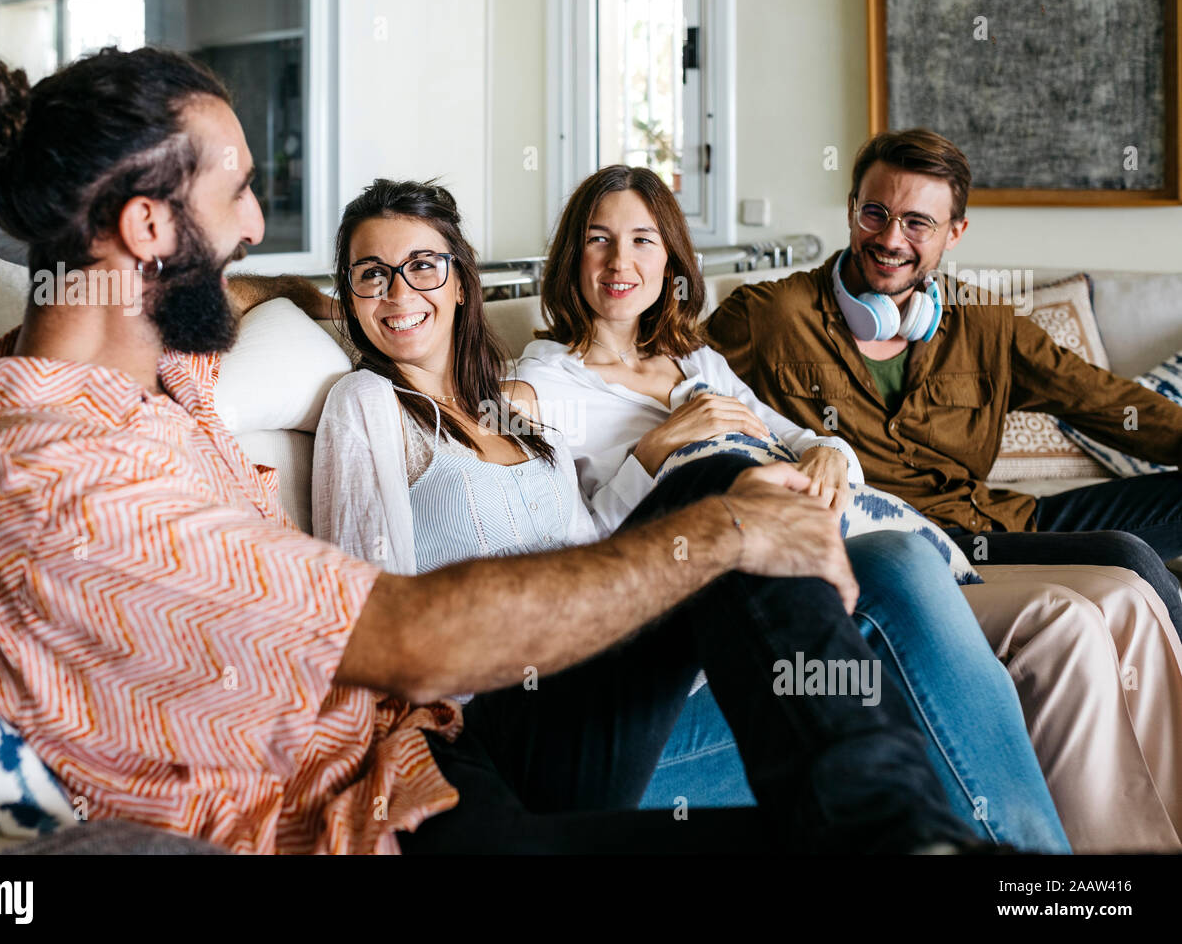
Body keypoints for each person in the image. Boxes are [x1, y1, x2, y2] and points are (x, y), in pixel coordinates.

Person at [0, 45, 979, 855]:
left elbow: (231, 301)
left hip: (444, 741)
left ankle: (901, 825)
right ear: (144, 229)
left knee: (716, 475)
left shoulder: (145, 376)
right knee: (727, 523)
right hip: (378, 819)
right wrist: (725, 531)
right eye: (236, 195)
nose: (256, 223)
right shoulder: (66, 480)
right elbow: (408, 637)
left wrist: (280, 289)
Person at [313, 176, 1066, 852]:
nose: (398, 292)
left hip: (598, 684)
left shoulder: (517, 413)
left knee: (875, 619)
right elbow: (368, 620)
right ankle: (906, 824)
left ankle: (975, 852)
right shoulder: (369, 404)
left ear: (459, 283)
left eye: (421, 267)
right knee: (720, 479)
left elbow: (592, 551)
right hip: (496, 724)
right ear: (349, 297)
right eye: (371, 275)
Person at [516, 164, 1182, 852]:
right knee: (1007, 591)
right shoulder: (540, 386)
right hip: (719, 595)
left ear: (670, 261)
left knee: (1110, 585)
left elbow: (793, 433)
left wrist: (830, 448)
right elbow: (572, 559)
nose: (620, 261)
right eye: (599, 239)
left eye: (643, 241)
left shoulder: (694, 361)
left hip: (832, 531)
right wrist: (652, 456)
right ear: (572, 254)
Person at [703, 128, 1182, 640]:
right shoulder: (769, 316)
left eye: (918, 223)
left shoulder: (986, 321)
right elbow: (675, 380)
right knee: (1125, 556)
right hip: (905, 545)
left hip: (1003, 523)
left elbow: (1105, 403)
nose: (890, 239)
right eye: (876, 214)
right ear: (851, 210)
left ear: (954, 232)